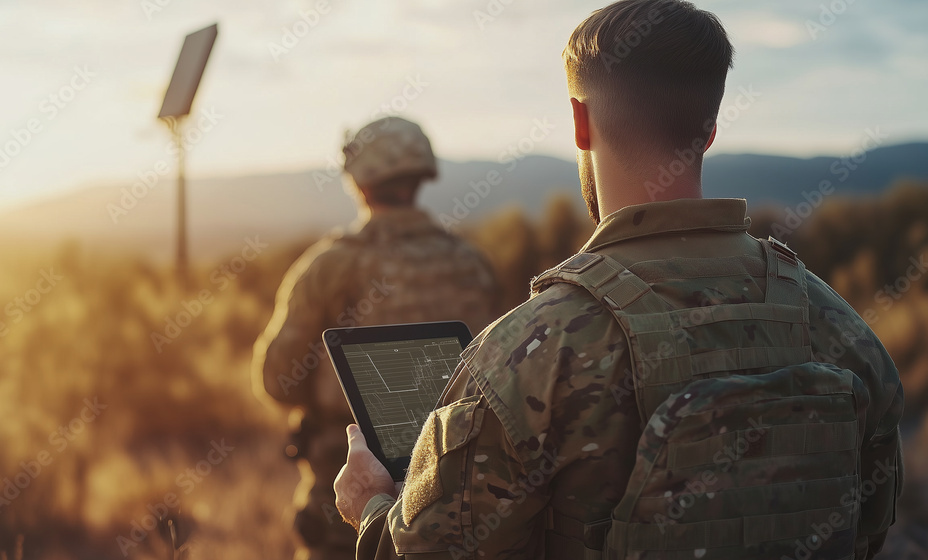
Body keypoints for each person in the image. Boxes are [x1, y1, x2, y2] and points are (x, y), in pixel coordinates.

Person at [333, 1, 904, 559]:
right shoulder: (842, 332)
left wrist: (374, 506)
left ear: (581, 122)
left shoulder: (530, 352)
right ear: (708, 130)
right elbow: (869, 531)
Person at [252, 116, 500, 560]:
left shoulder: (331, 266)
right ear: (419, 176)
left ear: (359, 181)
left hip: (352, 490)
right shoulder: (472, 264)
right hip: (459, 487)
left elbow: (278, 381)